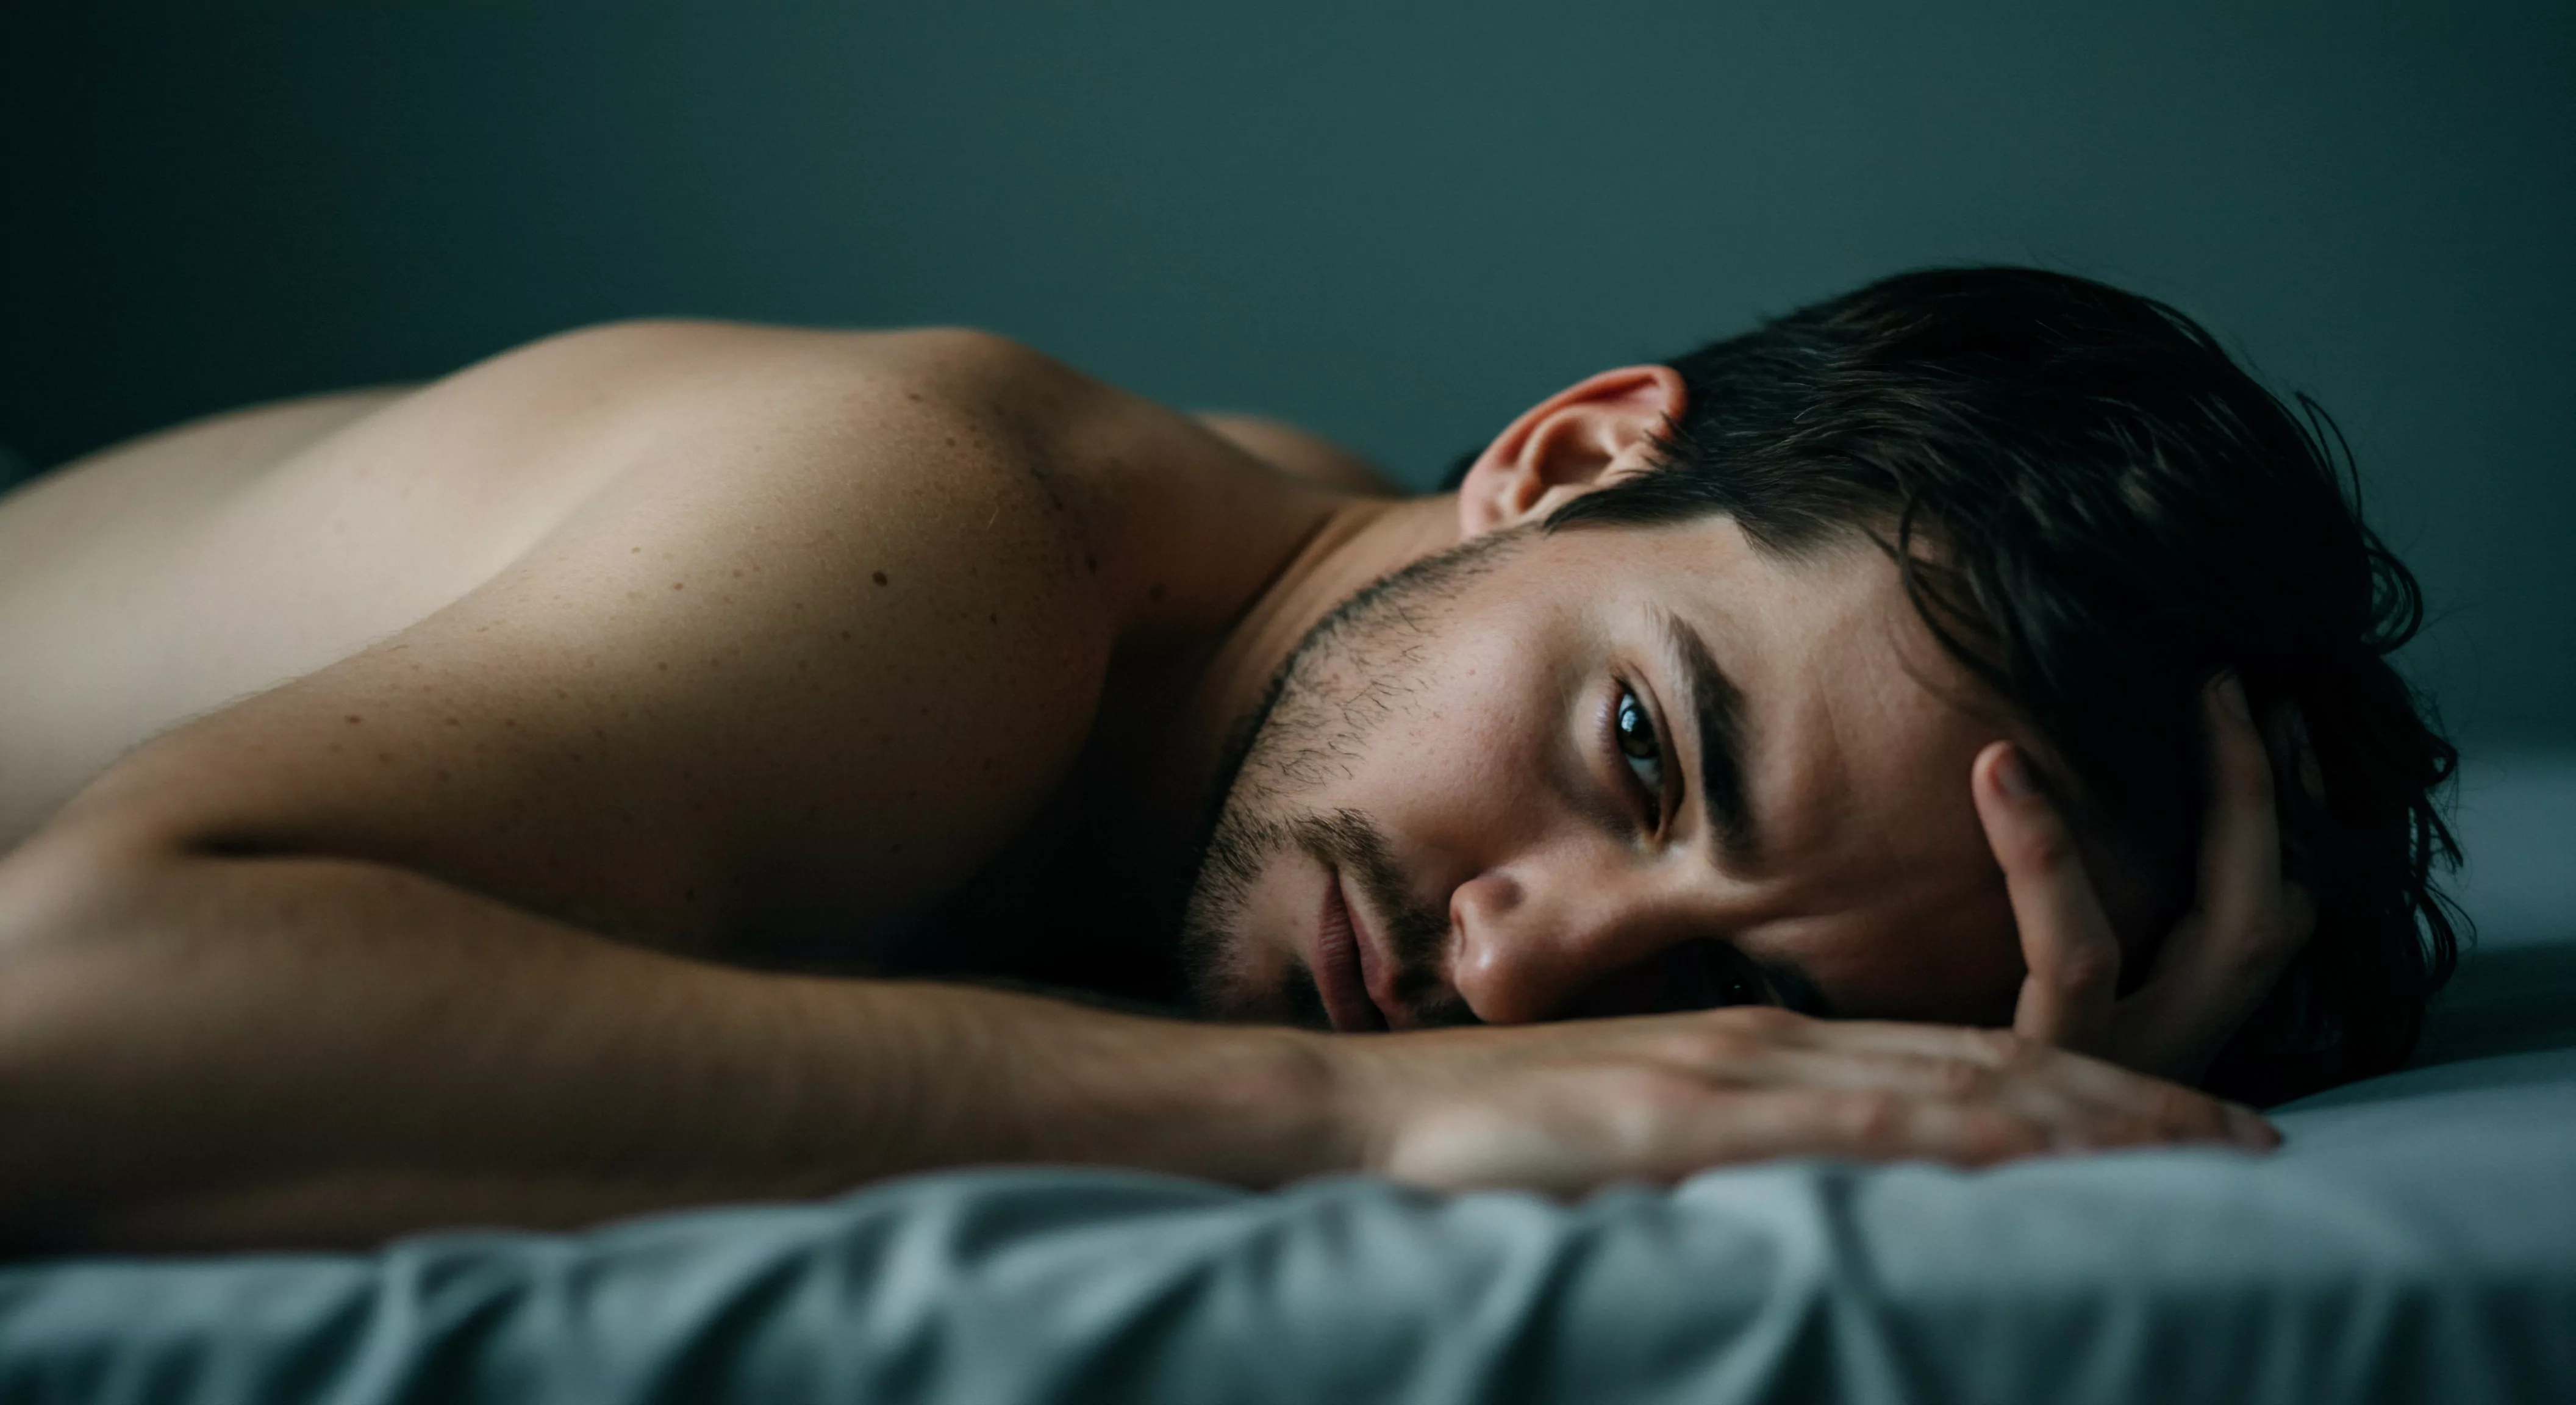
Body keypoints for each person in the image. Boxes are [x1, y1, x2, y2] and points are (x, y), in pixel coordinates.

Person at [0, 267, 2455, 1252]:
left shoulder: (1311, 671)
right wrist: (1351, 1124)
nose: (1533, 988)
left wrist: (2022, 1122)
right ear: (1574, 454)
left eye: (1760, 1001)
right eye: (1639, 757)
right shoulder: (943, 536)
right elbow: (76, 1015)